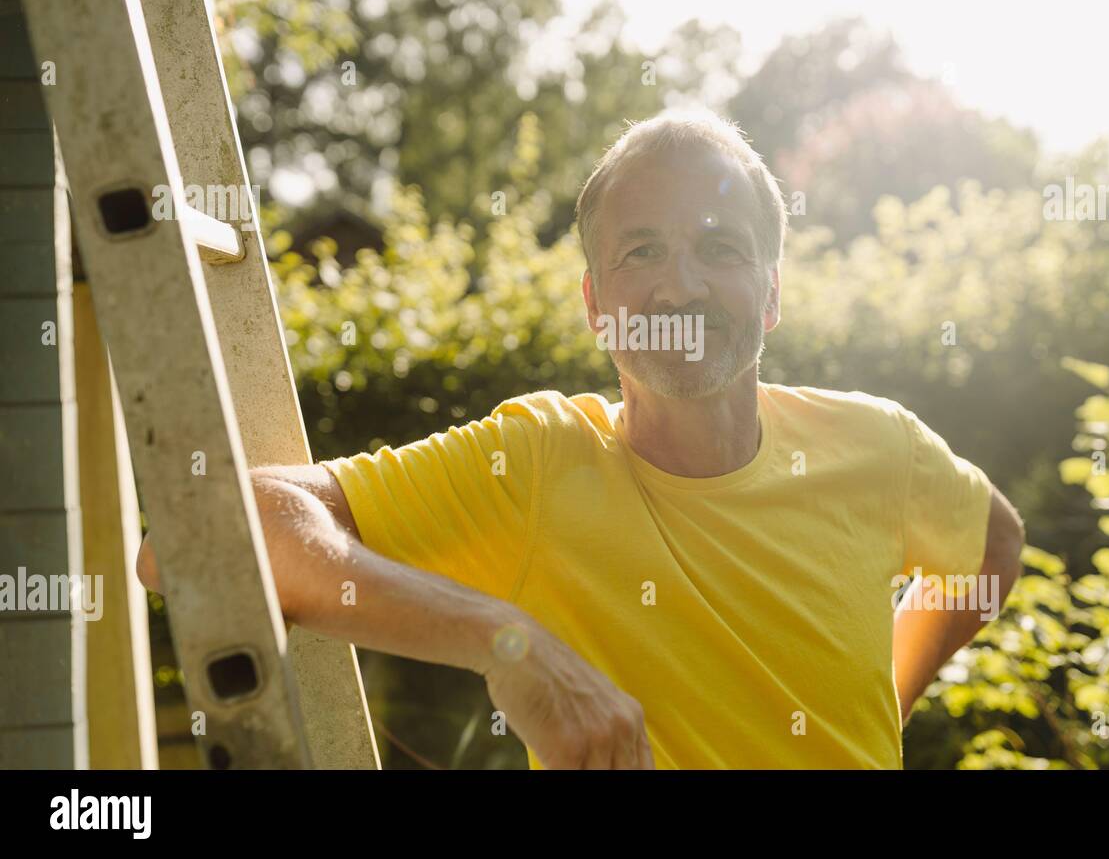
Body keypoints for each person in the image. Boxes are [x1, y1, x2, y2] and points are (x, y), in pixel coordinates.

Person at [138, 108, 1026, 769]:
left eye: (719, 247)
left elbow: (993, 542)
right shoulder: (537, 462)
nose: (679, 288)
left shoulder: (876, 443)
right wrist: (503, 639)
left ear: (772, 292)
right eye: (641, 253)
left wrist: (888, 698)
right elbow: (202, 531)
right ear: (596, 305)